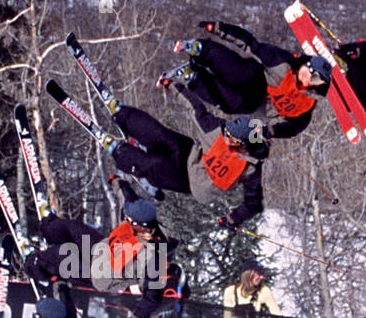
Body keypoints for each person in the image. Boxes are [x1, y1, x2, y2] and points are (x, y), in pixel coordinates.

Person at [105, 84, 269, 228]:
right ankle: (124, 114)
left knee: (155, 165)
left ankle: (119, 151)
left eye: (230, 139)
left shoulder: (251, 169)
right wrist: (175, 87)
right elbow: (197, 110)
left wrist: (233, 219)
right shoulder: (218, 130)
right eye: (226, 133)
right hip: (190, 154)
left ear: (243, 144)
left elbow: (253, 203)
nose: (225, 138)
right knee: (160, 134)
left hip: (191, 182)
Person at [24, 178, 177, 318]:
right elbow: (128, 197)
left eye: (129, 221)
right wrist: (118, 183)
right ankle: (47, 229)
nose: (126, 220)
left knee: (59, 256)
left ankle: (35, 266)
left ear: (139, 227)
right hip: (99, 249)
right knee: (67, 227)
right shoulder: (141, 218)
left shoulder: (153, 258)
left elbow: (153, 294)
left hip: (98, 273)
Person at [160, 21, 332, 141]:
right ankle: (202, 50)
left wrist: (266, 131)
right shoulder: (282, 62)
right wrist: (219, 29)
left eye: (315, 80)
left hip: (255, 105)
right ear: (305, 64)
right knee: (240, 74)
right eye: (310, 73)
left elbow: (289, 129)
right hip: (256, 80)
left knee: (232, 104)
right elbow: (250, 44)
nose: (308, 79)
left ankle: (194, 77)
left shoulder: (305, 108)